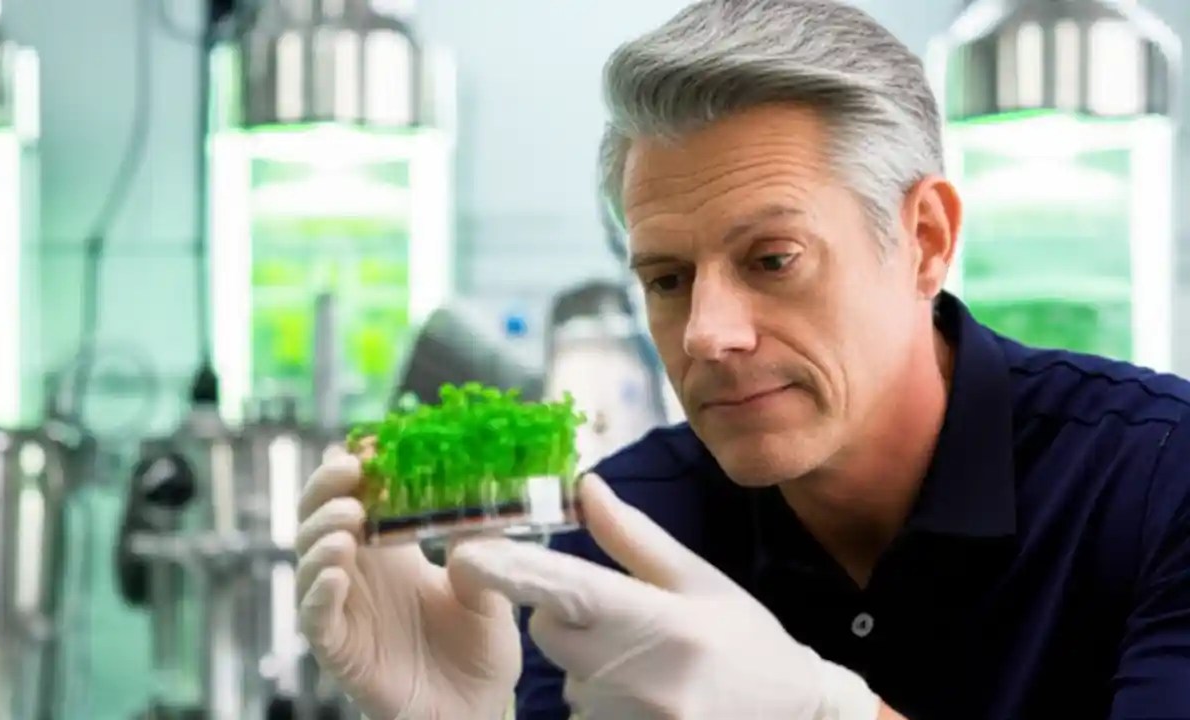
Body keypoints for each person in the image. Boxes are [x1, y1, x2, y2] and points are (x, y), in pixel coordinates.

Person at [294, 0, 1190, 718]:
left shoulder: (1157, 481)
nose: (705, 334)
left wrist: (828, 714)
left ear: (923, 239)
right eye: (668, 277)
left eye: (772, 261)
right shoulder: (622, 530)